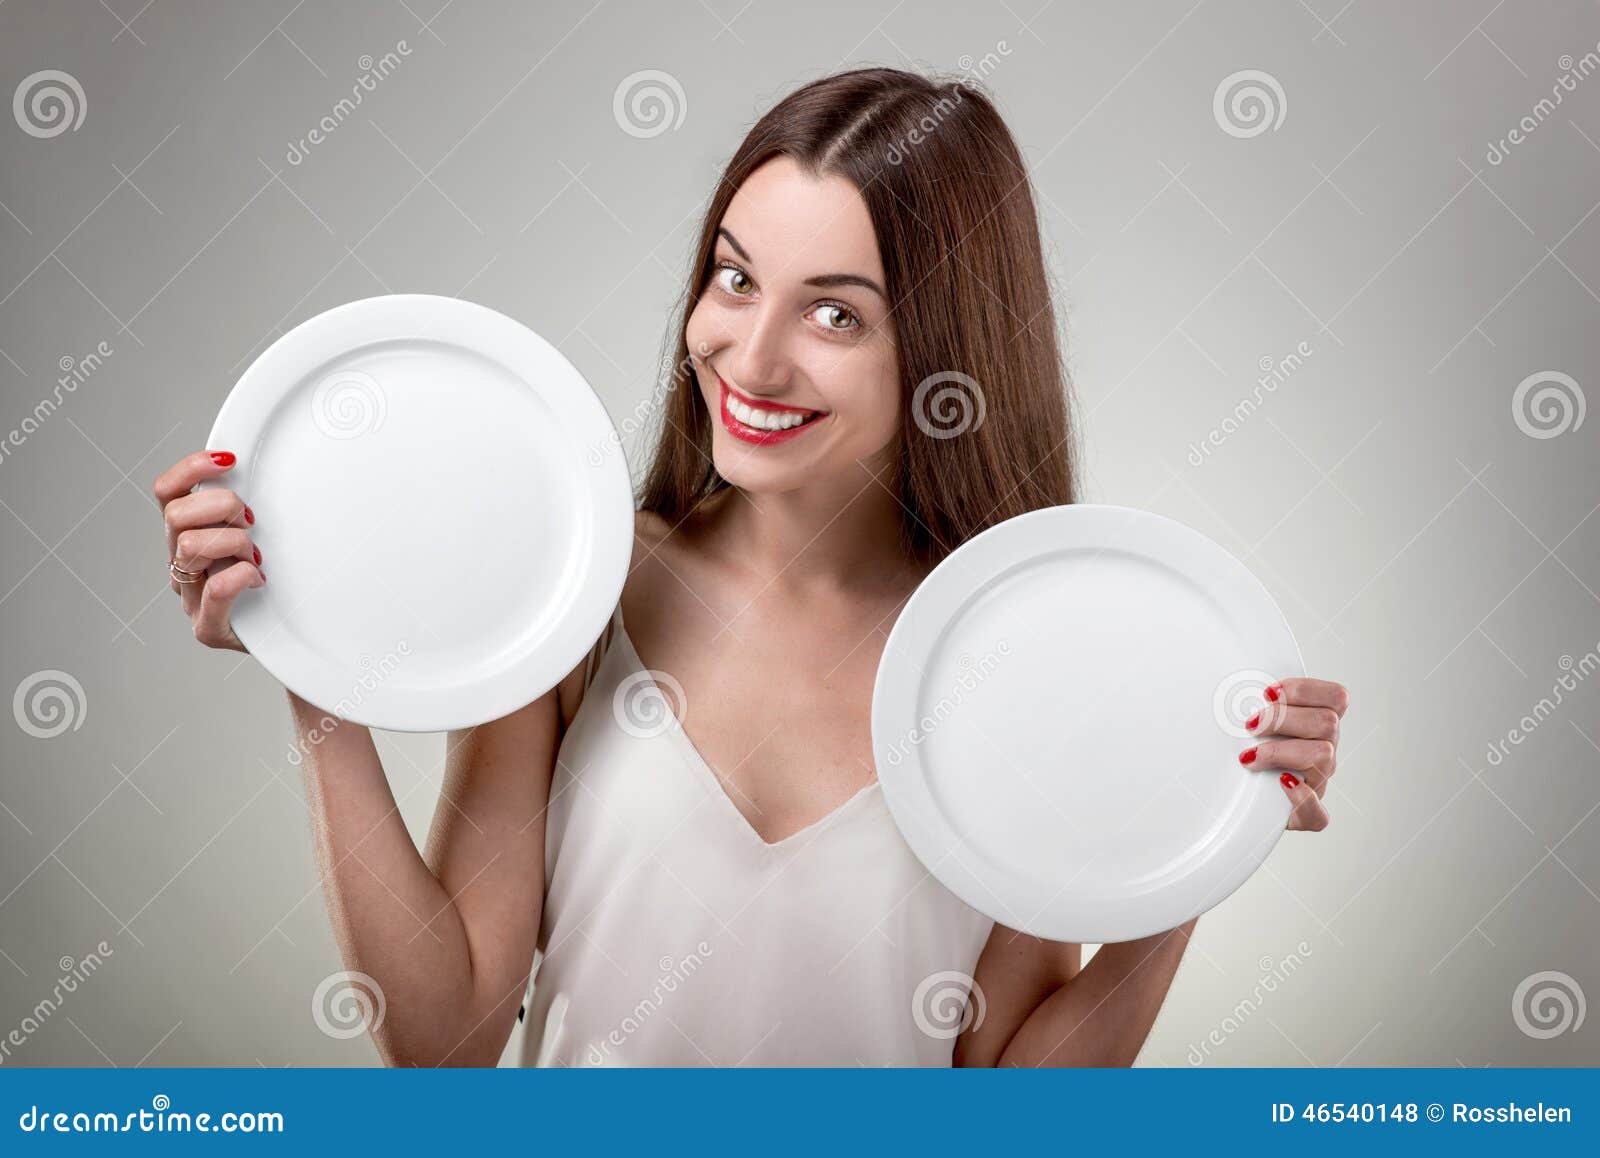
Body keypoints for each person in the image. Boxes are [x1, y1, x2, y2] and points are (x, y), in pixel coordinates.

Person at [151, 67, 1348, 1066]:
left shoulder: (1008, 653)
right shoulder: (581, 598)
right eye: (734, 279)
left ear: (945, 352)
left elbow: (1010, 1104)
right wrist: (308, 658)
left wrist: (1199, 847)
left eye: (835, 315)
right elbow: (445, 1033)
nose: (750, 358)